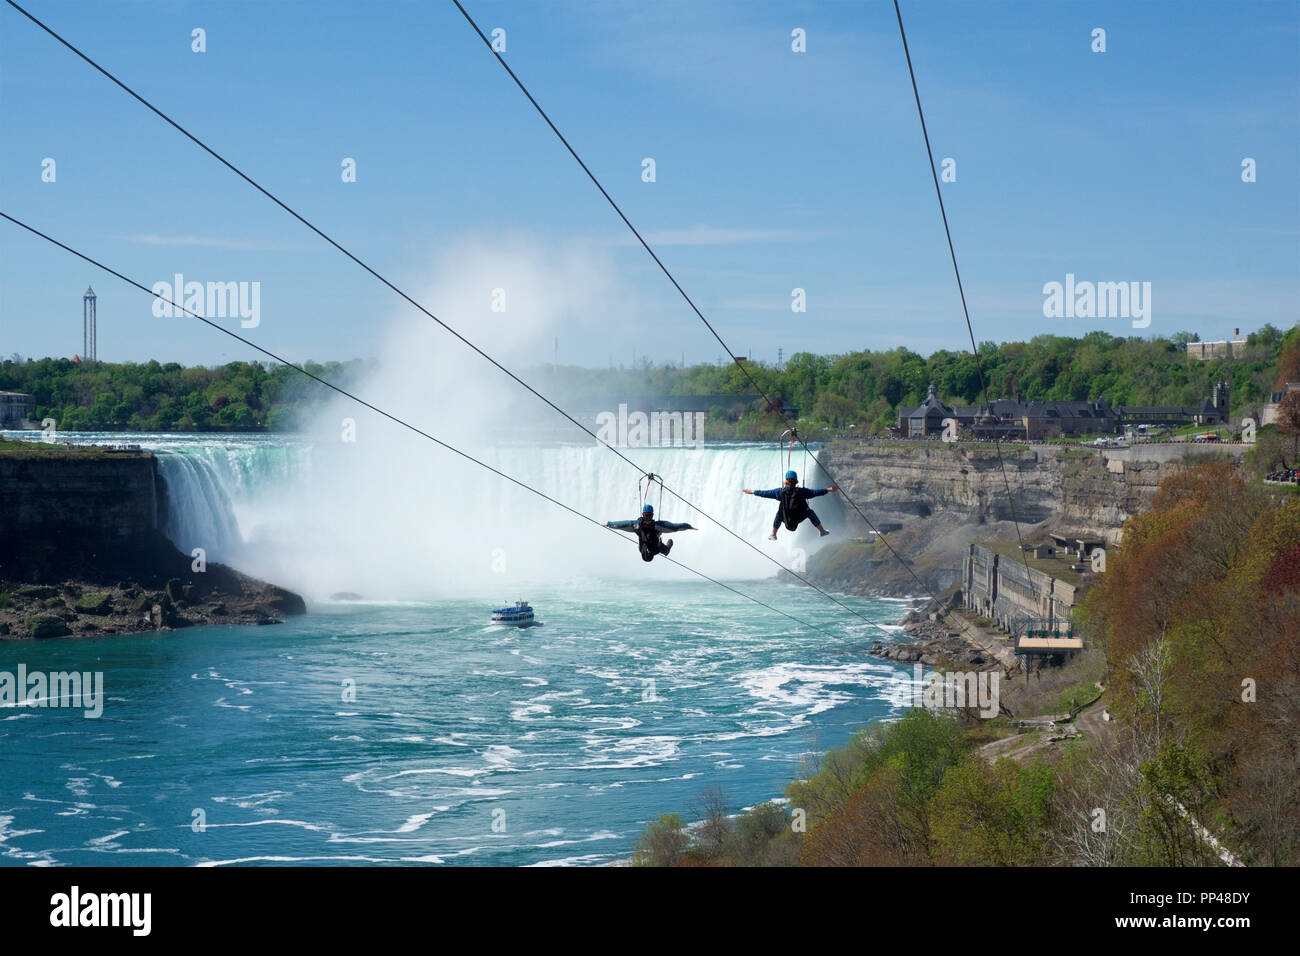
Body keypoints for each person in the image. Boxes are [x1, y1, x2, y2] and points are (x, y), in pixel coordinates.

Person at [743, 470, 840, 539]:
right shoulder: (802, 491)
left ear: (785, 481)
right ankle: (822, 531)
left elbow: (765, 493)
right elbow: (815, 492)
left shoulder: (780, 492)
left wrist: (752, 491)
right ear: (796, 481)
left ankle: (773, 534)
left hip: (786, 520)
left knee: (779, 513)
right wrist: (828, 489)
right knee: (810, 512)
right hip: (798, 518)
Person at [605, 504, 696, 562]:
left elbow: (622, 525)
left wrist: (609, 524)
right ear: (652, 515)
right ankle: (665, 544)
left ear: (643, 514)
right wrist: (688, 526)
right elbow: (675, 527)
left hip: (645, 546)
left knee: (644, 537)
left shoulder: (636, 525)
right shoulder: (657, 525)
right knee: (666, 550)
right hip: (655, 545)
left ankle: (658, 540)